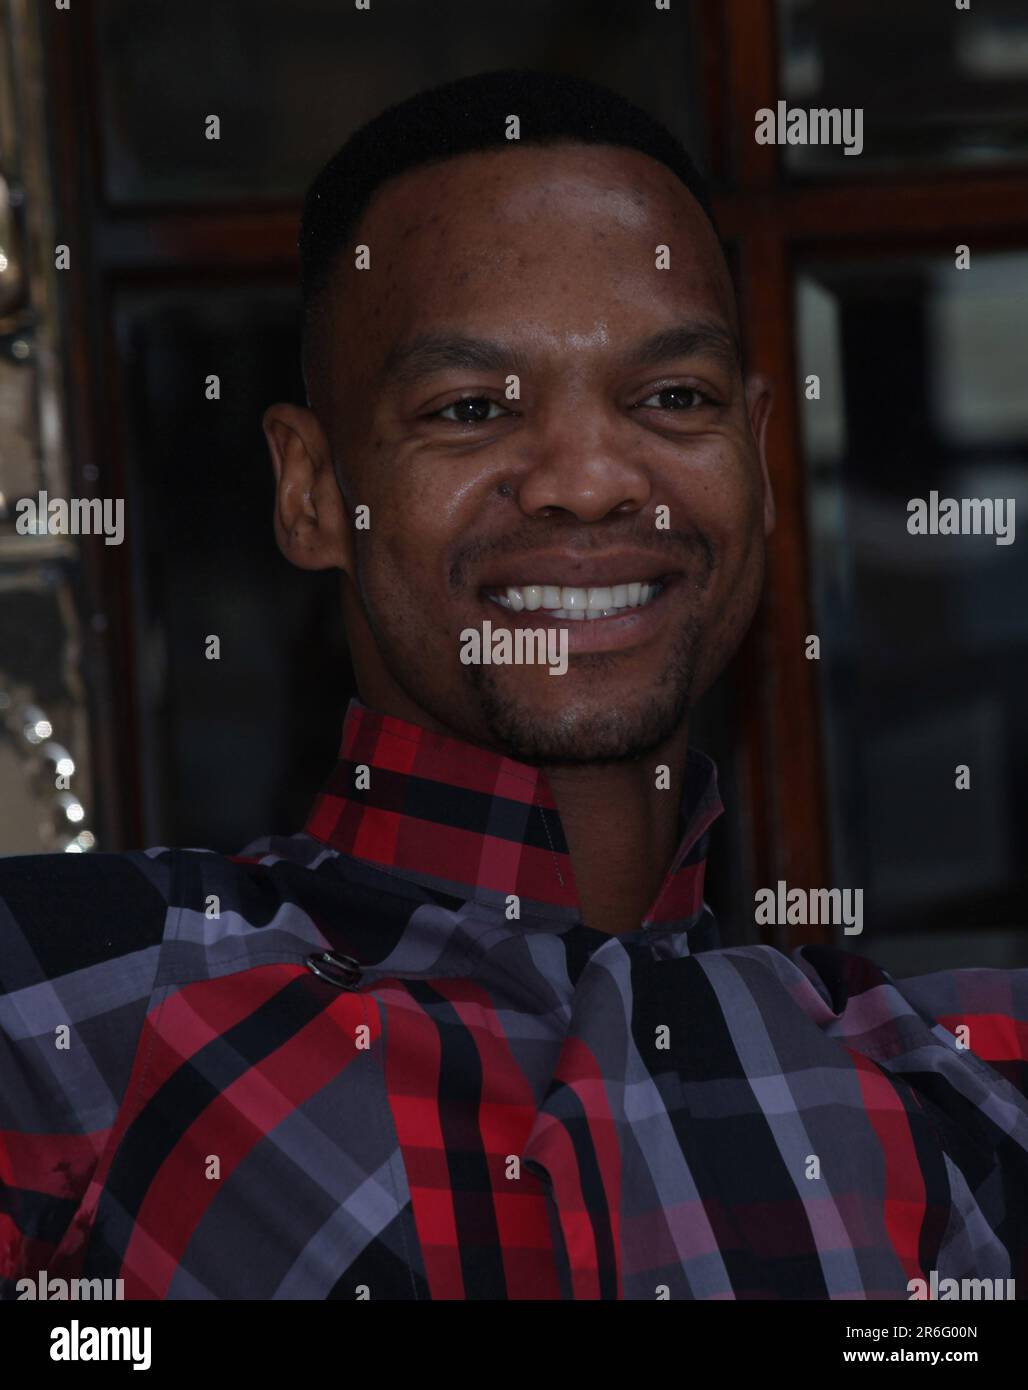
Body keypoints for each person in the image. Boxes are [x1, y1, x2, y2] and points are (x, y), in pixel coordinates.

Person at [2, 69, 1026, 1302]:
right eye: (472, 407)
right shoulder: (78, 1000)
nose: (588, 480)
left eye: (670, 397)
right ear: (312, 490)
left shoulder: (959, 1078)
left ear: (755, 460)